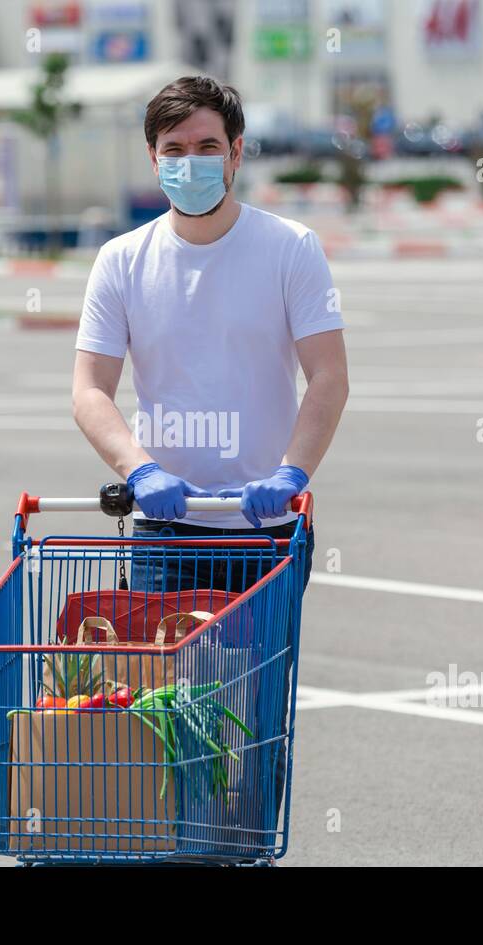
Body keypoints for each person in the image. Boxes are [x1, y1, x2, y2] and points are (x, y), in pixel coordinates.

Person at [71, 75, 349, 839]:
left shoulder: (289, 249)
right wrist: (141, 470)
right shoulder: (123, 261)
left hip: (263, 531)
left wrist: (291, 475)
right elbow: (91, 391)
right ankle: (173, 845)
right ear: (152, 158)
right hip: (168, 529)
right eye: (173, 151)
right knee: (166, 716)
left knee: (254, 719)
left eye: (205, 148)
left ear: (235, 155)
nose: (189, 163)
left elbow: (329, 376)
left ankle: (245, 845)